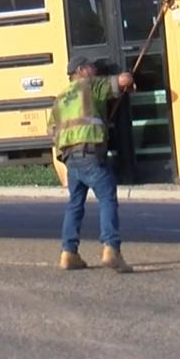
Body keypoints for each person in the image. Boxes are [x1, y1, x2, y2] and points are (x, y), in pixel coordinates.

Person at [48, 56, 135, 273]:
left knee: (75, 204)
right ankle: (111, 249)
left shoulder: (60, 98)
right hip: (90, 154)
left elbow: (51, 131)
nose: (94, 69)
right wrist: (129, 77)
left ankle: (68, 253)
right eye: (91, 66)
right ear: (81, 70)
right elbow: (123, 80)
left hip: (70, 158)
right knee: (107, 198)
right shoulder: (90, 85)